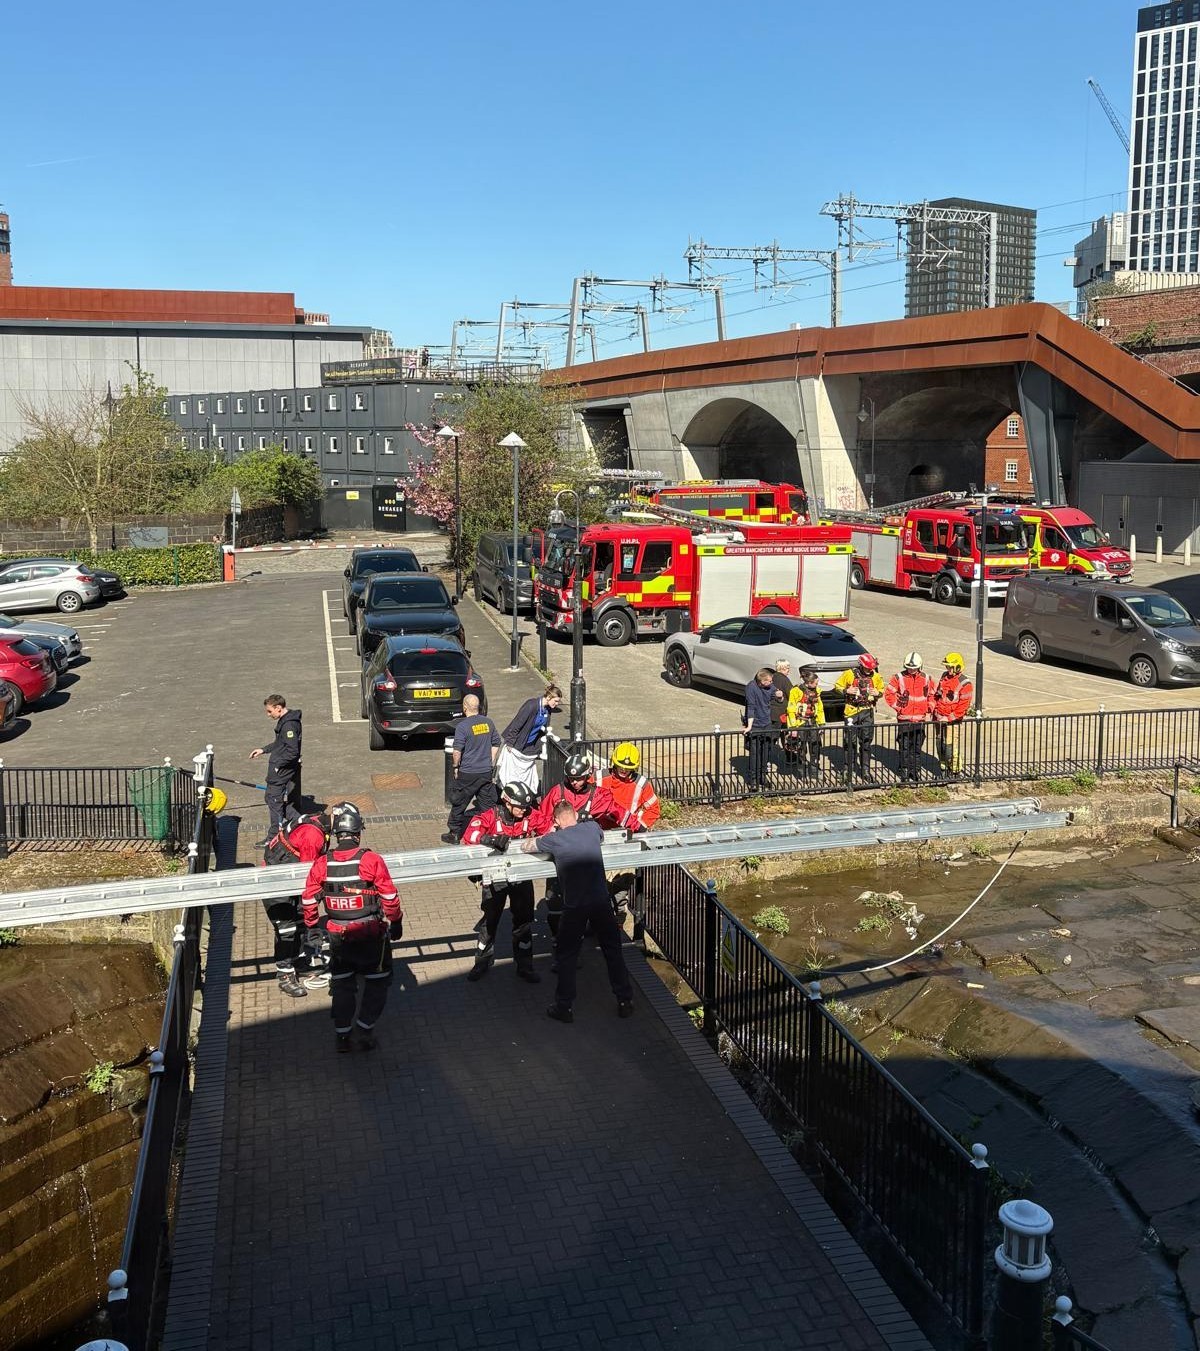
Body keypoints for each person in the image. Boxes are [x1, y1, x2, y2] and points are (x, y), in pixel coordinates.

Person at [301, 802, 403, 1052]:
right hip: (372, 935)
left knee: (343, 985)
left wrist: (312, 926)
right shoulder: (371, 860)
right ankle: (365, 1030)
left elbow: (308, 898)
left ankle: (342, 1036)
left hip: (337, 936)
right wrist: (396, 921)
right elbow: (389, 897)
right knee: (377, 983)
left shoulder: (322, 863)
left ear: (337, 836)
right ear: (358, 834)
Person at [522, 802, 634, 1024]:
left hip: (575, 907)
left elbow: (527, 846)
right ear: (574, 815)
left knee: (567, 955)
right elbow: (601, 836)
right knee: (612, 950)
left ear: (556, 821)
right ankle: (625, 1000)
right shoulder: (591, 828)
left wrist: (552, 832)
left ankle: (564, 1006)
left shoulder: (554, 839)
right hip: (601, 902)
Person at [530, 746, 621, 938]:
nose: (575, 782)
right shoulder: (557, 792)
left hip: (585, 858)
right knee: (555, 900)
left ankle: (585, 936)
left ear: (587, 775)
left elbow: (617, 813)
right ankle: (557, 938)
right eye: (571, 778)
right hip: (561, 857)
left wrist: (641, 828)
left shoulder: (599, 795)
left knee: (590, 901)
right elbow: (541, 818)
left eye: (579, 778)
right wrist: (548, 831)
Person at [461, 781, 540, 983]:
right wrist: (490, 839)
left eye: (526, 806)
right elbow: (470, 834)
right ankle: (482, 961)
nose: (524, 810)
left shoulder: (530, 815)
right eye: (520, 806)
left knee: (523, 921)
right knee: (490, 920)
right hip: (494, 878)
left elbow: (547, 825)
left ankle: (525, 964)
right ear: (506, 802)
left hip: (521, 877)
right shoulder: (491, 816)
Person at [261, 812, 330, 998]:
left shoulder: (315, 823)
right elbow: (308, 873)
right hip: (276, 884)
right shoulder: (313, 836)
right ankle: (284, 974)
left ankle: (298, 962)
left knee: (299, 921)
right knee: (286, 929)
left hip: (287, 879)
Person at [442, 694, 500, 843]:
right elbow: (496, 743)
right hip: (485, 771)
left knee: (459, 802)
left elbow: (457, 751)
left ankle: (454, 833)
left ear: (464, 707)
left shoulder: (462, 726)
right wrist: (490, 761)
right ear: (478, 706)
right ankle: (493, 829)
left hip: (468, 772)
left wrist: (455, 767)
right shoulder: (488, 723)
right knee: (488, 804)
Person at [250, 694, 302, 846]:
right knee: (271, 798)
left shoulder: (288, 726)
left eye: (269, 711)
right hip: (281, 767)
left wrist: (279, 764)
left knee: (274, 799)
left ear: (278, 708)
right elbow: (279, 744)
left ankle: (274, 836)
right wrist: (263, 750)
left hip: (281, 770)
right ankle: (298, 820)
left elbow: (292, 751)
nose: (268, 715)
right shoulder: (286, 721)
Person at [497, 684, 562, 792]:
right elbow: (517, 723)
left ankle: (523, 792)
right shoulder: (531, 705)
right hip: (518, 743)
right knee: (512, 773)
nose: (556, 704)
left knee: (524, 772)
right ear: (549, 697)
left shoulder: (547, 710)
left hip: (530, 745)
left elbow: (544, 727)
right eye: (555, 701)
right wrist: (510, 742)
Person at [884, 653, 935, 785]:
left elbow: (932, 695)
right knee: (904, 746)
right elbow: (889, 694)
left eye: (914, 668)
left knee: (917, 747)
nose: (911, 670)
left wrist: (929, 707)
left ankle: (915, 772)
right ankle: (904, 771)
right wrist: (899, 708)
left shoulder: (927, 679)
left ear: (920, 667)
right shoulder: (898, 678)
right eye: (909, 668)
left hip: (919, 720)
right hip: (904, 719)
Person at [834, 654, 885, 782]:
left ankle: (865, 771)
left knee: (866, 742)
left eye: (871, 668)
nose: (869, 671)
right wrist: (847, 691)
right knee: (849, 742)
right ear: (861, 665)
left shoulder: (876, 676)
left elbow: (881, 690)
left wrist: (877, 693)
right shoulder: (849, 674)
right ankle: (847, 771)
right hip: (851, 712)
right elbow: (837, 686)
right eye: (867, 668)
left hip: (867, 711)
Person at [932, 652, 974, 781]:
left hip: (952, 721)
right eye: (947, 667)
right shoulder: (944, 677)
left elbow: (962, 706)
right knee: (940, 745)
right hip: (939, 719)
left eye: (950, 667)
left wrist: (948, 718)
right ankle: (943, 770)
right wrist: (936, 713)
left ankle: (955, 772)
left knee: (951, 748)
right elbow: (938, 696)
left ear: (957, 667)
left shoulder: (965, 683)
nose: (947, 669)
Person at [782, 666, 825, 778]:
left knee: (815, 747)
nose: (817, 685)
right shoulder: (796, 691)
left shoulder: (817, 692)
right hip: (800, 723)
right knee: (801, 749)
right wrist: (793, 728)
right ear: (809, 683)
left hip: (813, 722)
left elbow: (819, 708)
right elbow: (791, 710)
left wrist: (821, 724)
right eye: (815, 683)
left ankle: (815, 771)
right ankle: (802, 772)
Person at [743, 667, 776, 791]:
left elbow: (776, 694)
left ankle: (763, 777)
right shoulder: (751, 687)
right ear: (762, 681)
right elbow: (751, 707)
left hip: (766, 722)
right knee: (755, 753)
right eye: (769, 681)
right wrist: (749, 726)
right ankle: (753, 779)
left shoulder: (770, 686)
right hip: (756, 724)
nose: (771, 683)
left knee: (765, 752)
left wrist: (779, 696)